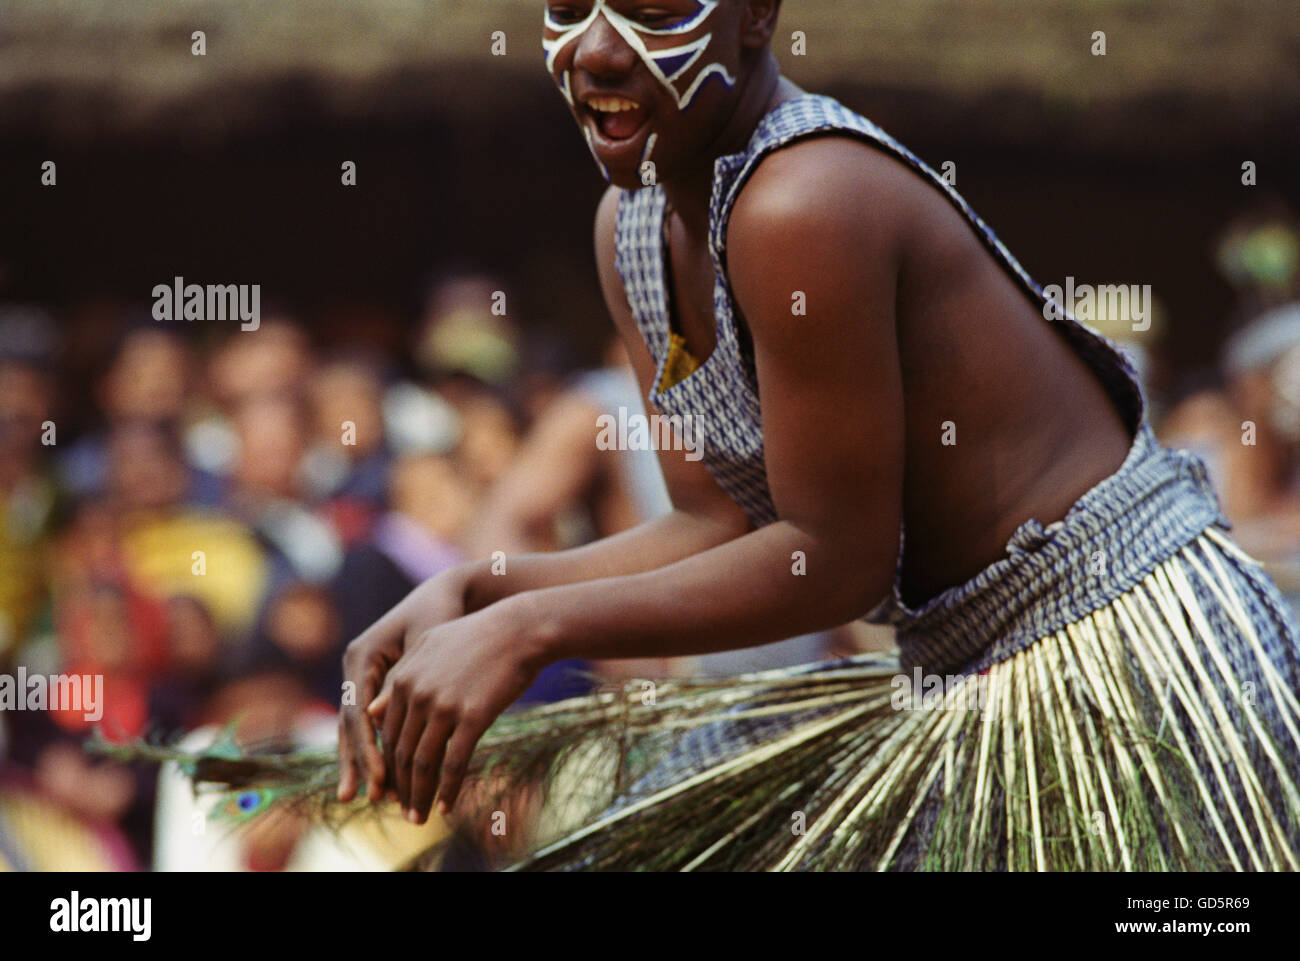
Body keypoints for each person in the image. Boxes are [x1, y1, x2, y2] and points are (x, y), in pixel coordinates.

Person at [338, 0, 1300, 870]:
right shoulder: (629, 226)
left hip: (1134, 676)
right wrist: (477, 587)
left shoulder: (802, 199)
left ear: (756, 14)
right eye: (566, 6)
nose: (596, 49)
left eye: (652, 8)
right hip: (965, 679)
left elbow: (831, 561)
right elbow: (714, 523)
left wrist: (529, 627)